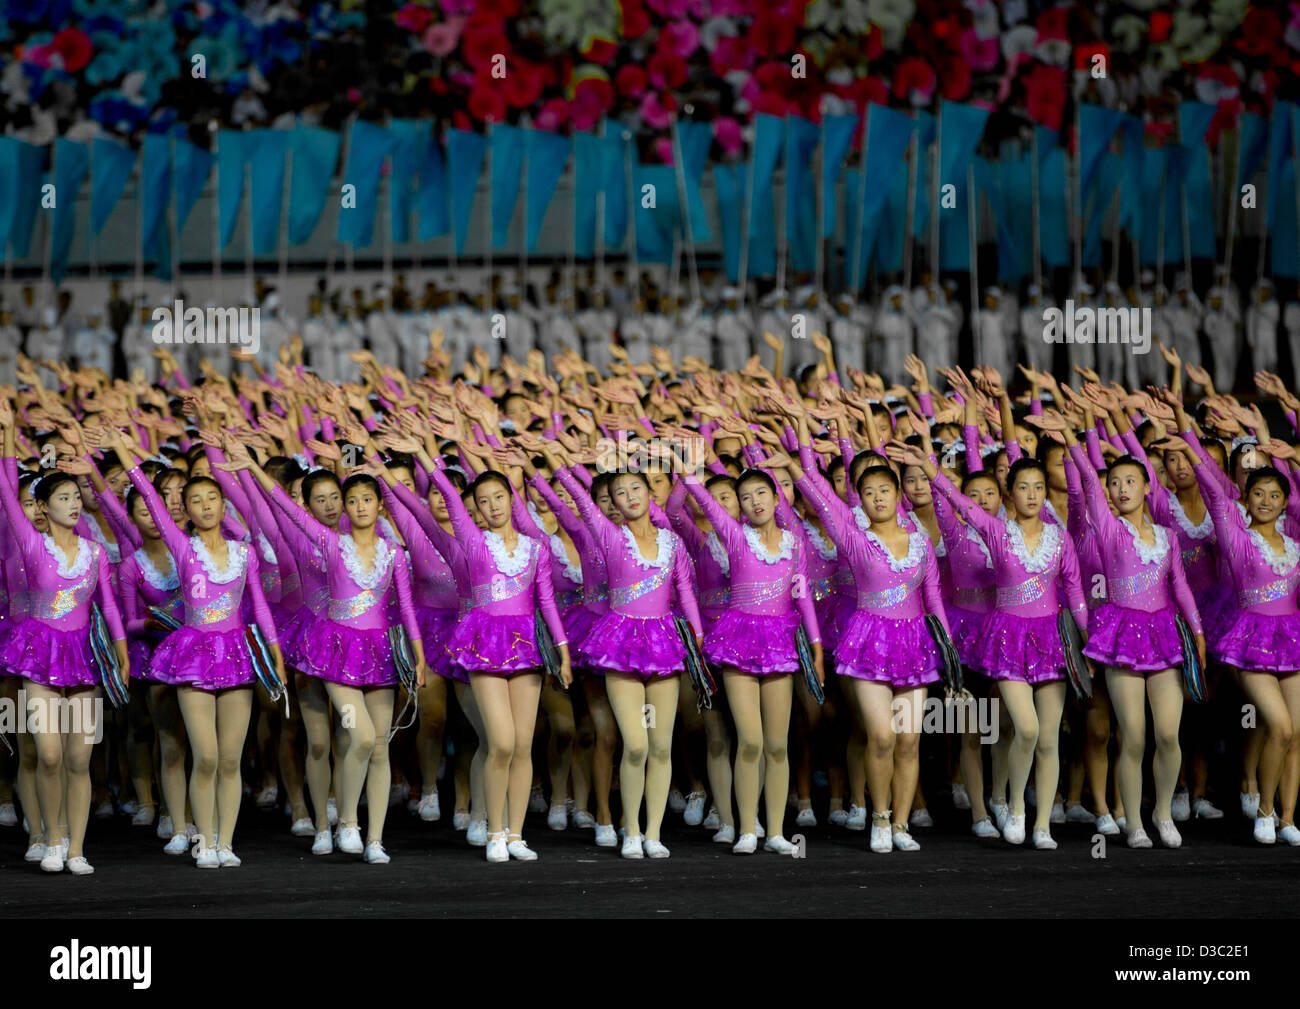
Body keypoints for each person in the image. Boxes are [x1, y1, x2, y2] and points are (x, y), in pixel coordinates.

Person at [97, 425, 283, 870]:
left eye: (211, 499)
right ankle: (204, 838)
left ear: (223, 505)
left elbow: (258, 604)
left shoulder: (244, 554)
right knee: (206, 755)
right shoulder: (183, 546)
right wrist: (122, 447)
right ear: (187, 511)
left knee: (232, 758)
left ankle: (224, 841)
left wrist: (274, 654)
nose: (202, 506)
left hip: (238, 652)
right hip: (195, 653)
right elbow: (149, 493)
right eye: (194, 501)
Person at [226, 449, 426, 864]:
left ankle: (374, 839)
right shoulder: (328, 542)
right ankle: (339, 823)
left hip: (382, 657)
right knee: (354, 736)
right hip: (334, 656)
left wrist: (419, 658)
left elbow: (406, 608)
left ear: (379, 504)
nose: (351, 507)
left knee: (379, 747)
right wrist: (247, 468)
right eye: (349, 500)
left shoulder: (395, 554)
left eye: (361, 499)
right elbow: (282, 506)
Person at [899, 443, 1088, 850]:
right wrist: (929, 470)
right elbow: (958, 503)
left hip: (1052, 640)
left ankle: (1041, 826)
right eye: (1024, 487)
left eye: (1039, 486)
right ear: (1011, 493)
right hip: (1008, 640)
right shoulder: (997, 530)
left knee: (1049, 739)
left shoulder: (1060, 538)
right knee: (1026, 728)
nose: (1034, 494)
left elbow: (1074, 591)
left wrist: (1087, 640)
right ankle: (1014, 806)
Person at [1033, 410, 1205, 848]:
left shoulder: (1167, 536)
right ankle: (1134, 823)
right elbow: (1088, 482)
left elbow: (1181, 588)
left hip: (1165, 635)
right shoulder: (1106, 528)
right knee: (1134, 736)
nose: (1121, 489)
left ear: (1149, 486)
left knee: (1168, 735)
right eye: (1115, 484)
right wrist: (1076, 434)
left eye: (1130, 482)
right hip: (1122, 633)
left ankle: (1163, 813)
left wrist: (1198, 636)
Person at [0, 407, 127, 876]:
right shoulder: (32, 544)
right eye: (64, 498)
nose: (74, 504)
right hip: (38, 654)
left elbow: (109, 606)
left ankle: (75, 847)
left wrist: (120, 651)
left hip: (84, 659)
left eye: (77, 496)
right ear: (44, 506)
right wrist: (11, 432)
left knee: (79, 759)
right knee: (48, 754)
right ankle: (51, 837)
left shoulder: (95, 552)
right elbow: (7, 491)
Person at [680, 454, 824, 854]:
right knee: (751, 741)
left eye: (762, 492)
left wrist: (815, 648)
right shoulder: (735, 535)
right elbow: (704, 501)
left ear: (777, 497)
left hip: (779, 640)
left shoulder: (795, 543)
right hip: (739, 638)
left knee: (778, 745)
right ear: (738, 507)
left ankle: (775, 831)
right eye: (746, 497)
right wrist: (682, 465)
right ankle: (746, 827)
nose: (755, 501)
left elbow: (803, 595)